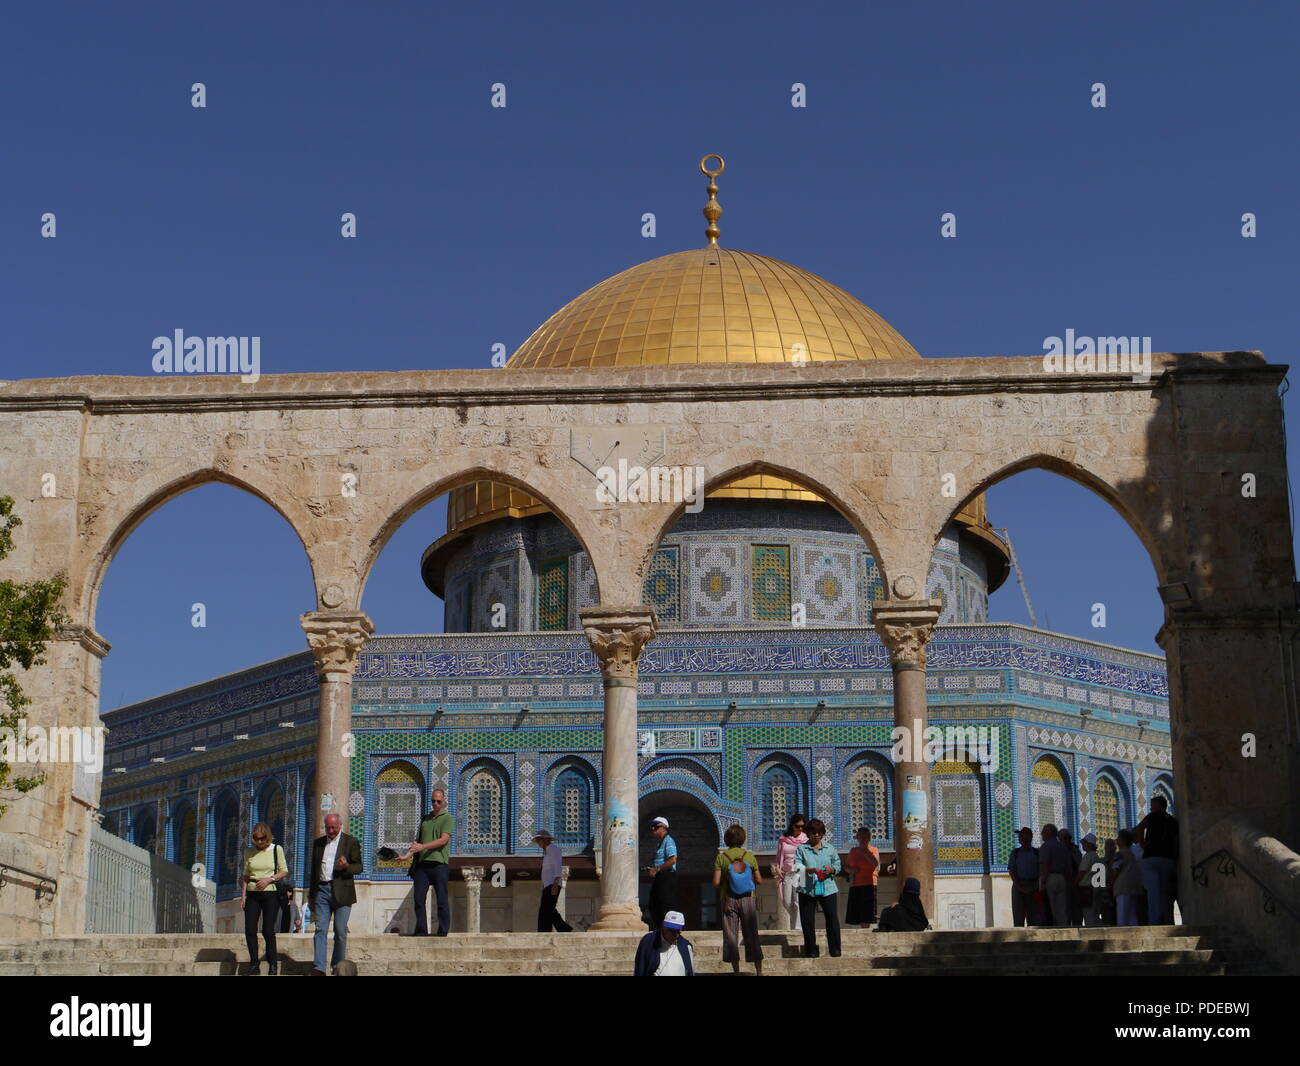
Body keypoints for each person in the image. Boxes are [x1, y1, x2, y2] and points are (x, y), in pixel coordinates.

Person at [308, 811, 362, 975]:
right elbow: (314, 871)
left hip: (342, 892)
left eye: (333, 827)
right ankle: (318, 968)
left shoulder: (350, 842)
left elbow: (358, 867)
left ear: (340, 826)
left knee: (340, 931)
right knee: (320, 929)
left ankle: (337, 966)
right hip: (322, 891)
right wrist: (311, 895)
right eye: (327, 827)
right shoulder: (318, 844)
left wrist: (346, 867)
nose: (330, 831)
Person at [712, 824, 763, 975]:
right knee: (751, 934)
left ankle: (736, 971)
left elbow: (715, 882)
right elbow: (759, 881)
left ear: (727, 839)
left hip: (729, 899)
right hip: (748, 899)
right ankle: (759, 971)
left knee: (731, 935)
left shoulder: (722, 858)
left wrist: (728, 882)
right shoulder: (749, 856)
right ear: (743, 839)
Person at [403, 788, 454, 936]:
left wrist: (423, 847)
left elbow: (444, 840)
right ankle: (421, 930)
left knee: (442, 900)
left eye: (438, 801)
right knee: (418, 898)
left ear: (444, 801)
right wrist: (406, 855)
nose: (436, 804)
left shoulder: (447, 818)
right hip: (423, 865)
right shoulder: (425, 819)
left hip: (439, 864)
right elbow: (417, 842)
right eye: (433, 801)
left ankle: (442, 931)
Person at [241, 821, 289, 975]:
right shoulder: (249, 852)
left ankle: (272, 964)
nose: (259, 842)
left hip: (271, 893)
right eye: (256, 839)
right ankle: (254, 963)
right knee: (249, 930)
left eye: (262, 839)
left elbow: (284, 871)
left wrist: (269, 879)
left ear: (267, 837)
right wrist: (243, 896)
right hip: (253, 894)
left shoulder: (276, 849)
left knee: (268, 930)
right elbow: (246, 876)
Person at [794, 819, 841, 958]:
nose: (816, 835)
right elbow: (797, 865)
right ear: (808, 833)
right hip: (807, 889)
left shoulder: (830, 848)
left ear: (823, 834)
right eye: (813, 832)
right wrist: (807, 870)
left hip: (828, 888)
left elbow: (837, 864)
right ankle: (811, 950)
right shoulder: (801, 849)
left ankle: (835, 949)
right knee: (807, 920)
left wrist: (832, 869)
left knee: (832, 918)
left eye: (819, 833)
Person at [1135, 795, 1179, 925]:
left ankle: (1155, 922)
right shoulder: (1172, 821)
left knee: (1153, 893)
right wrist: (1175, 858)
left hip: (1151, 858)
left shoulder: (1152, 817)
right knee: (1165, 893)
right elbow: (1176, 842)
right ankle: (1167, 921)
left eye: (1152, 804)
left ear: (1159, 805)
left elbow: (1139, 828)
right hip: (1167, 859)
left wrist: (1143, 845)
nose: (1150, 807)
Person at [633, 910, 694, 976]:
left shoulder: (685, 946)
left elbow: (690, 971)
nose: (673, 934)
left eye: (677, 931)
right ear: (663, 926)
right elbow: (641, 967)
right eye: (670, 930)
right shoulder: (649, 942)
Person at [534, 829, 573, 933]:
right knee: (547, 909)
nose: (538, 843)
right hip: (547, 885)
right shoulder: (547, 852)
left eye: (539, 840)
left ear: (545, 840)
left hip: (553, 884)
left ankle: (562, 929)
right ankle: (550, 929)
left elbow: (557, 866)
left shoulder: (554, 849)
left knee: (547, 909)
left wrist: (555, 883)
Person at [774, 813, 807, 932]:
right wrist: (778, 868)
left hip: (801, 873)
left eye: (802, 826)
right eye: (798, 826)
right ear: (792, 825)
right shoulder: (783, 839)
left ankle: (797, 928)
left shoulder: (805, 840)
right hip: (787, 873)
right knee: (787, 902)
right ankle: (795, 922)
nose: (800, 829)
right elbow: (778, 857)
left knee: (797, 901)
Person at [644, 815, 678, 928]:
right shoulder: (660, 843)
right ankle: (660, 928)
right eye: (652, 827)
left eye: (656, 826)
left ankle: (668, 929)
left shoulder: (669, 841)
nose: (653, 829)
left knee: (665, 905)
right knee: (654, 905)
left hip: (667, 877)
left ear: (663, 827)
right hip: (660, 878)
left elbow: (673, 860)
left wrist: (657, 869)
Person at [1037, 823, 1074, 928]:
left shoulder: (1046, 846)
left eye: (1043, 831)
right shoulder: (1063, 847)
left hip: (1050, 878)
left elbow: (1045, 864)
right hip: (1062, 879)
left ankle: (1056, 932)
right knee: (1062, 908)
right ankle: (1065, 929)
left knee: (1051, 907)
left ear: (1049, 833)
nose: (1041, 834)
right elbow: (1068, 867)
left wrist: (1043, 881)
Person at [844, 827, 880, 927]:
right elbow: (846, 866)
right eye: (860, 837)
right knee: (857, 913)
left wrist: (865, 852)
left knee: (868, 913)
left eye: (865, 837)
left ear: (869, 838)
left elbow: (875, 864)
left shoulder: (874, 850)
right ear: (857, 838)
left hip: (870, 884)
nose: (863, 839)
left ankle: (866, 931)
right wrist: (851, 870)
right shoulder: (853, 851)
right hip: (856, 884)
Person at [1007, 826, 1041, 927]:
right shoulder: (1015, 853)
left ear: (1030, 837)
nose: (1020, 838)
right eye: (1020, 836)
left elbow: (1041, 871)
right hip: (1019, 887)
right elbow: (1012, 870)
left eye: (1022, 836)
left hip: (1033, 887)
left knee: (1034, 918)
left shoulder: (1037, 853)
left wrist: (1035, 886)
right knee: (1018, 917)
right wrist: (1019, 887)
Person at [1112, 828, 1144, 927]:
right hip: (1133, 888)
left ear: (1123, 841)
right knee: (1132, 917)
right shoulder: (1132, 854)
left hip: (1123, 888)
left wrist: (1110, 883)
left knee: (1122, 917)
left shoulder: (1120, 854)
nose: (1116, 840)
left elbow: (1115, 870)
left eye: (1118, 838)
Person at [1077, 832, 1107, 927]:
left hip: (1087, 890)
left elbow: (1082, 872)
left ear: (1089, 844)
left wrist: (1074, 882)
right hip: (1096, 889)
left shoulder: (1088, 856)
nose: (1083, 845)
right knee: (1095, 914)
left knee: (1089, 916)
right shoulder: (1098, 857)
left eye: (1084, 843)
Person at [1059, 829, 1083, 926]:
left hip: (1075, 885)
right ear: (1060, 839)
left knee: (1077, 913)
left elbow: (1080, 865)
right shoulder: (1057, 850)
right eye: (1065, 838)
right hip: (1063, 886)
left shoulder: (1076, 851)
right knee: (1065, 912)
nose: (1068, 840)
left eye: (1069, 838)